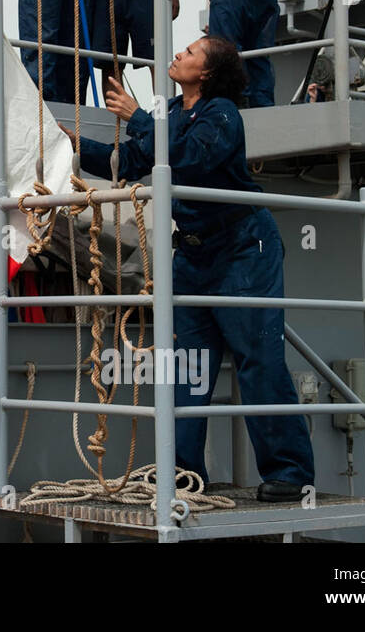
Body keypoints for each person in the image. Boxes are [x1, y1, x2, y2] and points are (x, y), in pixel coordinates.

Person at [62, 35, 315, 501]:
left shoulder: (222, 114)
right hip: (195, 255)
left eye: (192, 53)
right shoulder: (173, 115)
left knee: (257, 360)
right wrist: (72, 146)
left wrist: (139, 119)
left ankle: (290, 472)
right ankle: (182, 472)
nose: (180, 54)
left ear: (209, 72)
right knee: (187, 366)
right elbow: (135, 161)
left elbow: (192, 158)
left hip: (243, 247)